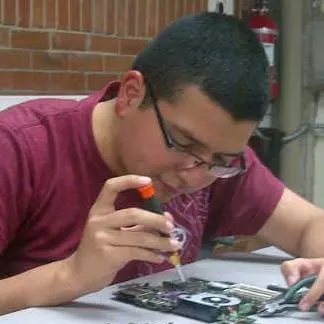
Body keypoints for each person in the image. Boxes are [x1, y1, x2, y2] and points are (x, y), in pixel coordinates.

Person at [0, 12, 324, 316]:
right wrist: (69, 274)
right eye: (183, 143)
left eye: (221, 160)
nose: (196, 177)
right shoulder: (20, 147)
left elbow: (310, 224)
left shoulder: (214, 158)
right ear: (131, 94)